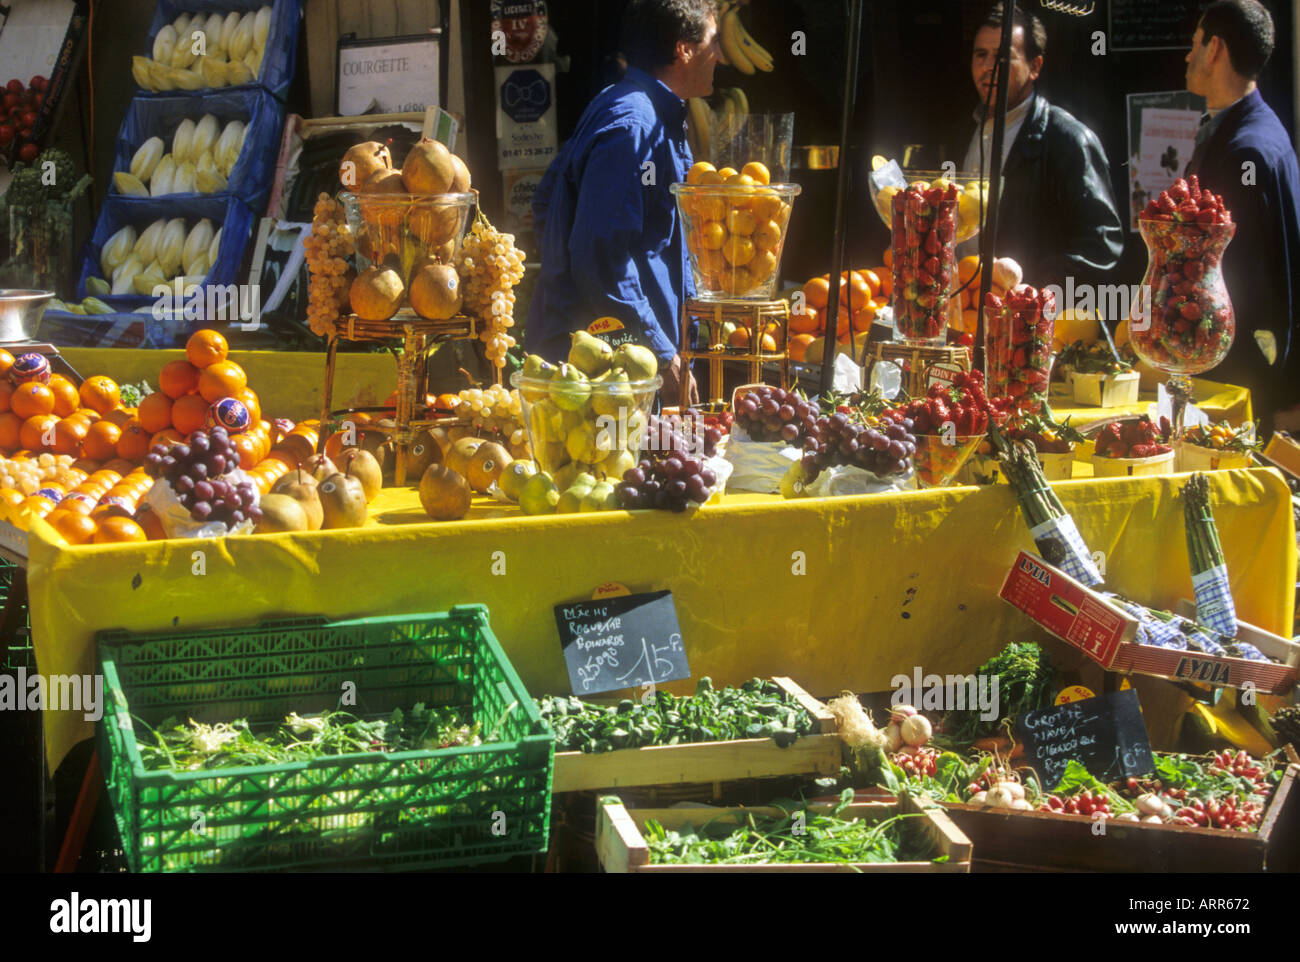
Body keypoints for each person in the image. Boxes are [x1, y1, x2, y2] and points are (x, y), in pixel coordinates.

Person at [526, 0, 720, 403]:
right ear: (683, 49)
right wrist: (661, 353)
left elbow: (547, 203)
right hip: (606, 376)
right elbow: (600, 253)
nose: (719, 56)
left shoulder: (629, 107)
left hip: (611, 362)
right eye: (712, 42)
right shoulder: (635, 124)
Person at [1183, 0, 1300, 430]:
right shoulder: (1252, 130)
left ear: (1215, 49)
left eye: (1195, 43)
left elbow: (1234, 283)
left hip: (1238, 383)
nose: (1188, 55)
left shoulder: (1245, 151)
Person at [959, 4, 1123, 295]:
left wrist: (1037, 291)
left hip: (1029, 324)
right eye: (980, 55)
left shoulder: (1070, 140)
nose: (988, 67)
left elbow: (1102, 247)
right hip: (967, 317)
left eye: (1002, 57)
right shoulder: (963, 129)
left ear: (1035, 66)